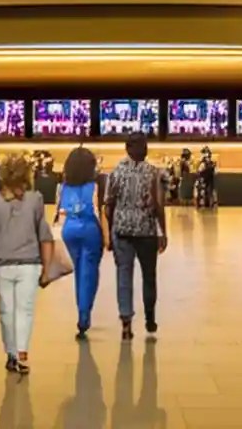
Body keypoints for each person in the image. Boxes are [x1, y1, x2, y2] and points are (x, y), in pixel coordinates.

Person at [0, 154, 54, 374]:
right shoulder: (35, 199)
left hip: (1, 263)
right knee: (25, 310)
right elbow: (44, 236)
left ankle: (11, 353)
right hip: (29, 263)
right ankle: (22, 353)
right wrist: (47, 269)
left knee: (6, 311)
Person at [106, 133, 168, 341]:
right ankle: (150, 318)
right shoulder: (153, 173)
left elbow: (109, 203)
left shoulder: (117, 172)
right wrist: (163, 231)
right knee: (149, 276)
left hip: (122, 231)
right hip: (146, 231)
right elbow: (158, 205)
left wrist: (110, 228)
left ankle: (126, 322)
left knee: (124, 275)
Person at [57, 147, 105, 339]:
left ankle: (81, 310)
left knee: (78, 272)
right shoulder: (94, 186)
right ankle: (84, 314)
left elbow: (61, 213)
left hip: (69, 231)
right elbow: (98, 211)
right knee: (89, 273)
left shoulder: (63, 187)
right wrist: (106, 237)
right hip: (89, 230)